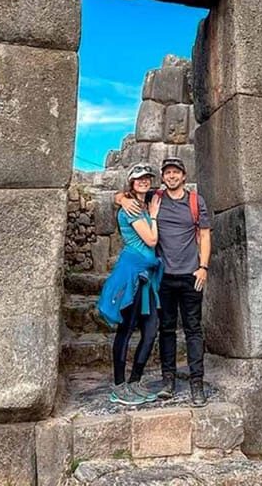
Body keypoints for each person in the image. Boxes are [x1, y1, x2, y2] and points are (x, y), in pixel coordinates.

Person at [116, 156, 211, 407]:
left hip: (191, 274)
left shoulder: (194, 201)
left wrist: (203, 267)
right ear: (163, 176)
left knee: (193, 329)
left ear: (183, 176)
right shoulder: (154, 197)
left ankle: (196, 383)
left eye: (175, 172)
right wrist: (122, 199)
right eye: (167, 172)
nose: (171, 176)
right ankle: (168, 381)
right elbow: (127, 193)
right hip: (163, 277)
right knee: (166, 329)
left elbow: (204, 234)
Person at [97, 163, 163, 406]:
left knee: (150, 329)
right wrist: (152, 215)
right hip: (132, 275)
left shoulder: (145, 203)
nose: (144, 181)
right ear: (131, 183)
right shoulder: (134, 207)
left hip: (147, 277)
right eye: (139, 179)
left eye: (147, 178)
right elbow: (151, 238)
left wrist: (121, 199)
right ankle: (118, 386)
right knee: (126, 330)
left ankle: (135, 381)